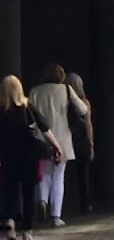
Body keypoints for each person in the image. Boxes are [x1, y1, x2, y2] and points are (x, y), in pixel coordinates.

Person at [0, 75, 62, 240]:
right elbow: (45, 129)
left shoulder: (1, 111)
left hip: (8, 158)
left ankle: (10, 226)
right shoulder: (28, 108)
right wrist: (57, 147)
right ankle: (27, 232)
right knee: (29, 193)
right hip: (29, 157)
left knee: (9, 193)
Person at [28, 63, 87, 227]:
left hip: (41, 138)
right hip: (62, 137)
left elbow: (30, 114)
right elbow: (83, 110)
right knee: (59, 176)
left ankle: (42, 200)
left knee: (44, 174)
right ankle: (56, 216)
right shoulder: (66, 90)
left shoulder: (35, 91)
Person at [66, 72, 95, 215]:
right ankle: (85, 204)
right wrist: (91, 144)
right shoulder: (84, 102)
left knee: (67, 174)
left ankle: (68, 204)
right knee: (83, 174)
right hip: (82, 140)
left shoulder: (65, 102)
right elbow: (88, 124)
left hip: (67, 138)